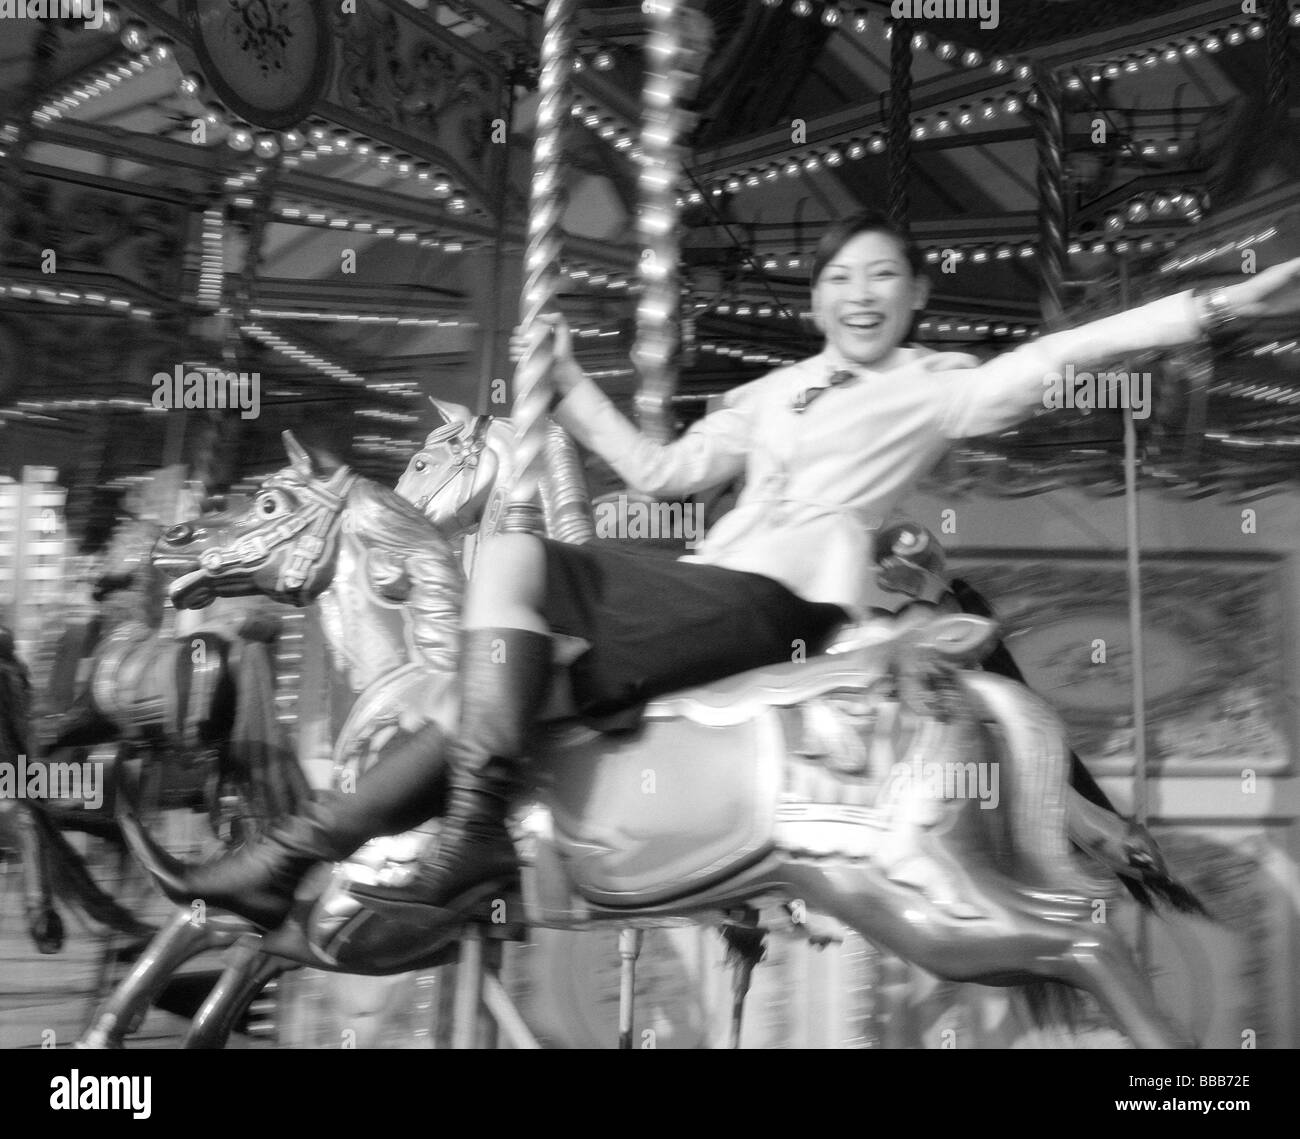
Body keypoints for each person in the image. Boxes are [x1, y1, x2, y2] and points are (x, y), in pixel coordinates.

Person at [152, 212, 1300, 930]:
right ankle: (289, 859)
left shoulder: (937, 382)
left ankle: (454, 837)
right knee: (465, 696)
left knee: (506, 555)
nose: (861, 293)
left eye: (884, 277)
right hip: (700, 581)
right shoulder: (771, 393)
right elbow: (656, 474)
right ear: (816, 298)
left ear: (912, 297)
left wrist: (1202, 310)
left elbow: (1058, 357)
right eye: (842, 277)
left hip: (779, 607)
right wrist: (569, 378)